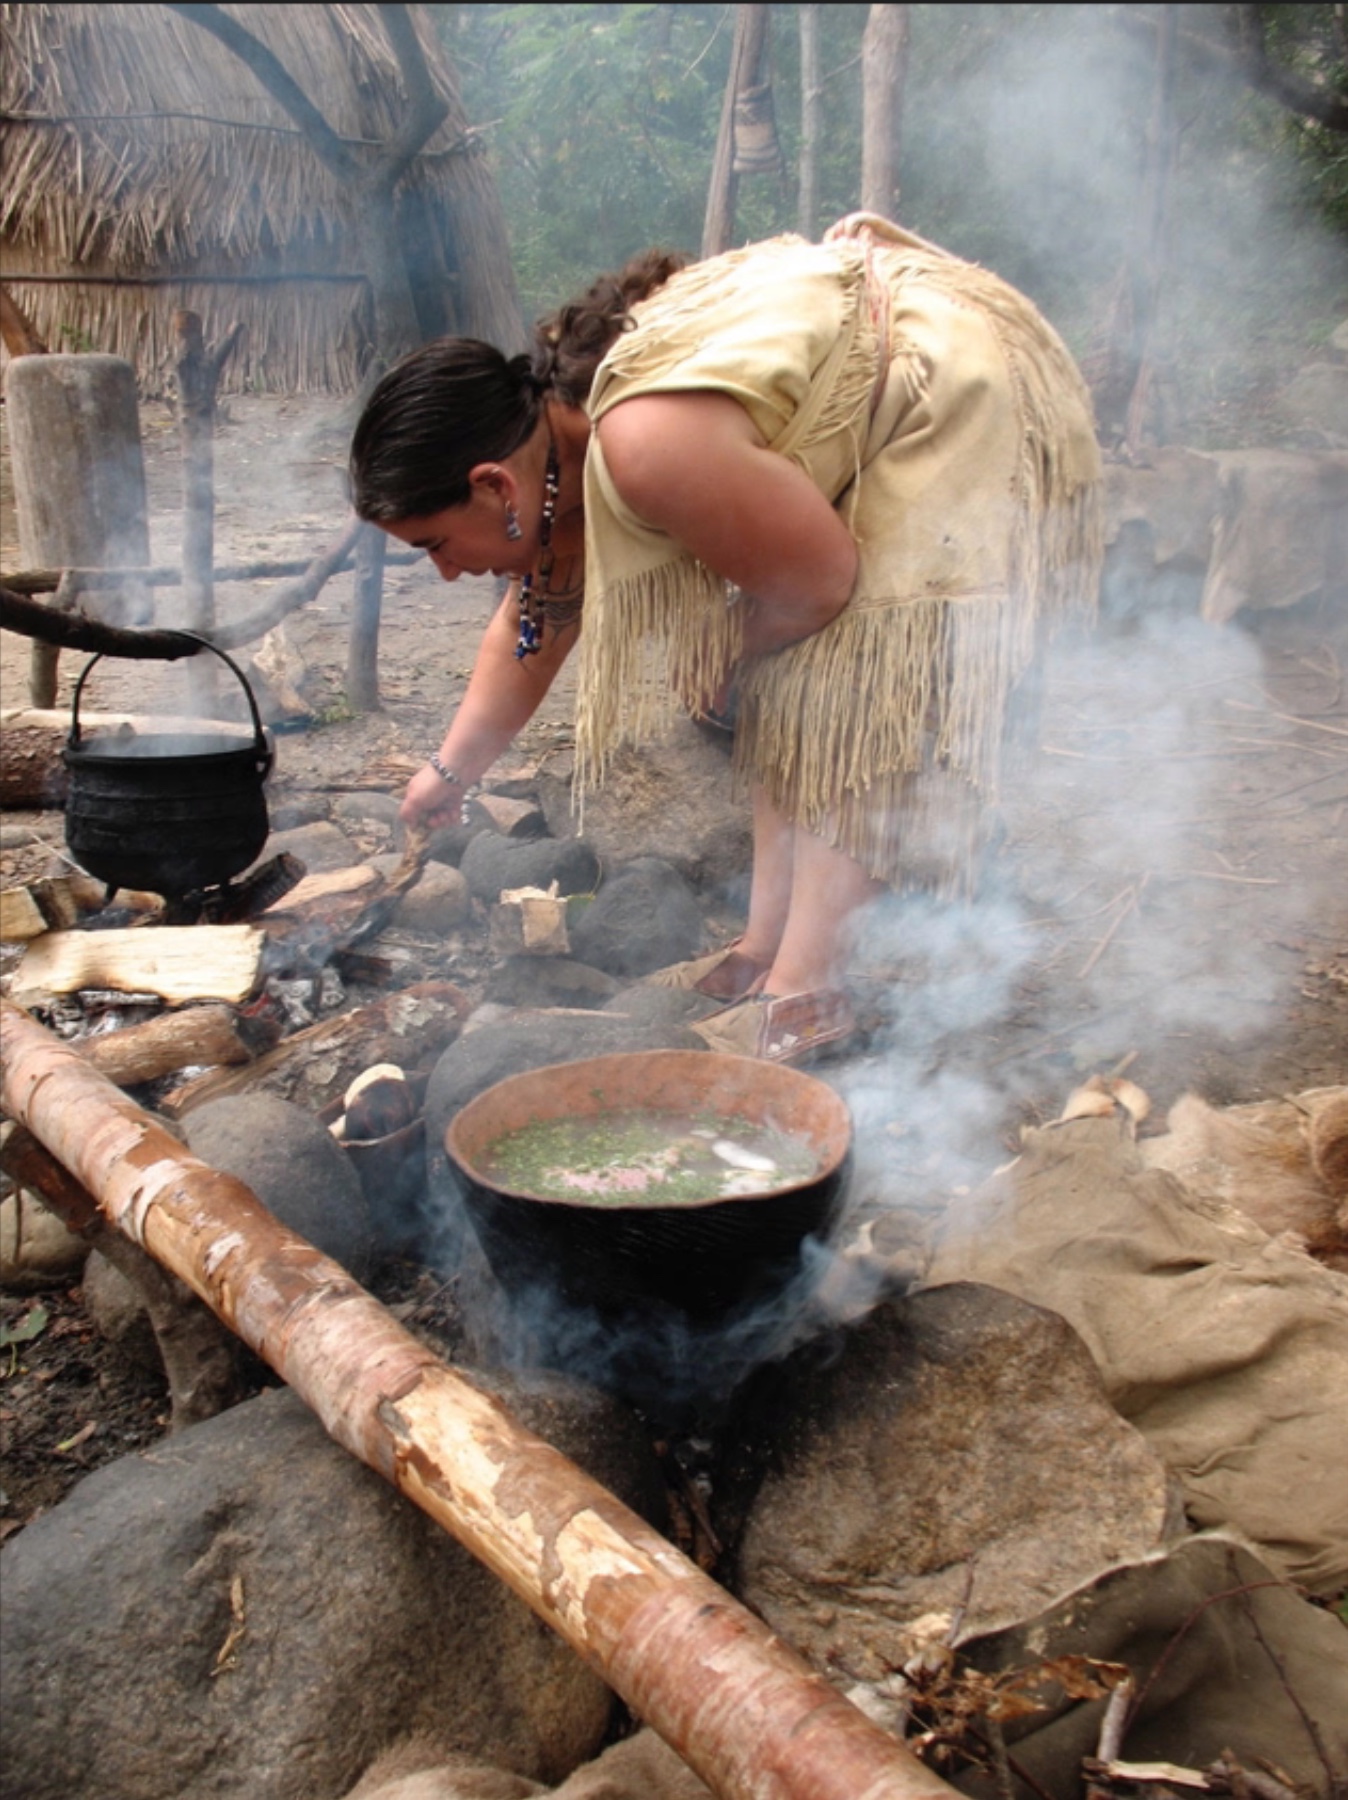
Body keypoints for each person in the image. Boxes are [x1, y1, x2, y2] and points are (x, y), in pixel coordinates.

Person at [349, 213, 1103, 1060]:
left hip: (955, 383)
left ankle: (805, 997)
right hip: (898, 387)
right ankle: (762, 952)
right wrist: (448, 774)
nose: (446, 572)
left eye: (435, 544)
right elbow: (535, 627)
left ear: (495, 485)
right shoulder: (557, 455)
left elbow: (820, 585)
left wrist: (724, 654)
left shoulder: (644, 442)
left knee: (839, 672)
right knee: (782, 671)